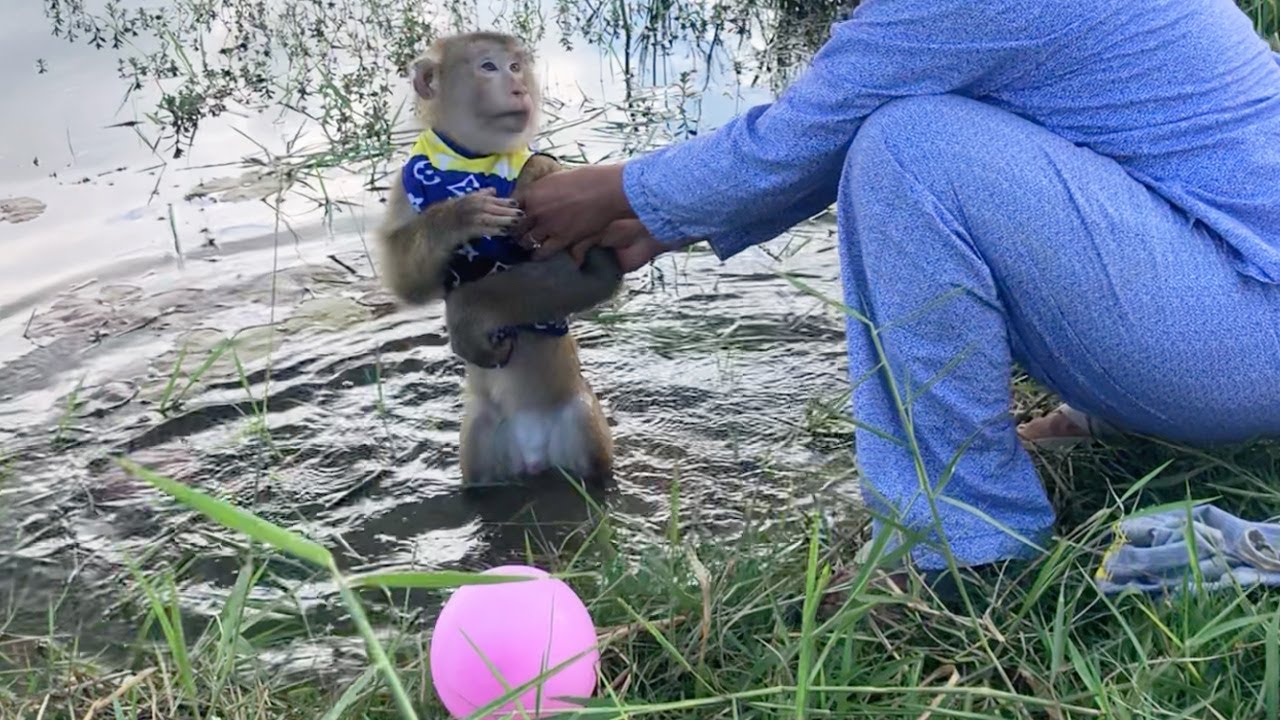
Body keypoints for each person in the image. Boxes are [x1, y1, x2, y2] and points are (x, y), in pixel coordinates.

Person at [515, 0, 1280, 578]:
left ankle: (964, 551)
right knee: (942, 133)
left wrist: (619, 190)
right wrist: (659, 222)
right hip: (1235, 294)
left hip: (1242, 333)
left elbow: (798, 139)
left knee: (911, 149)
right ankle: (1106, 415)